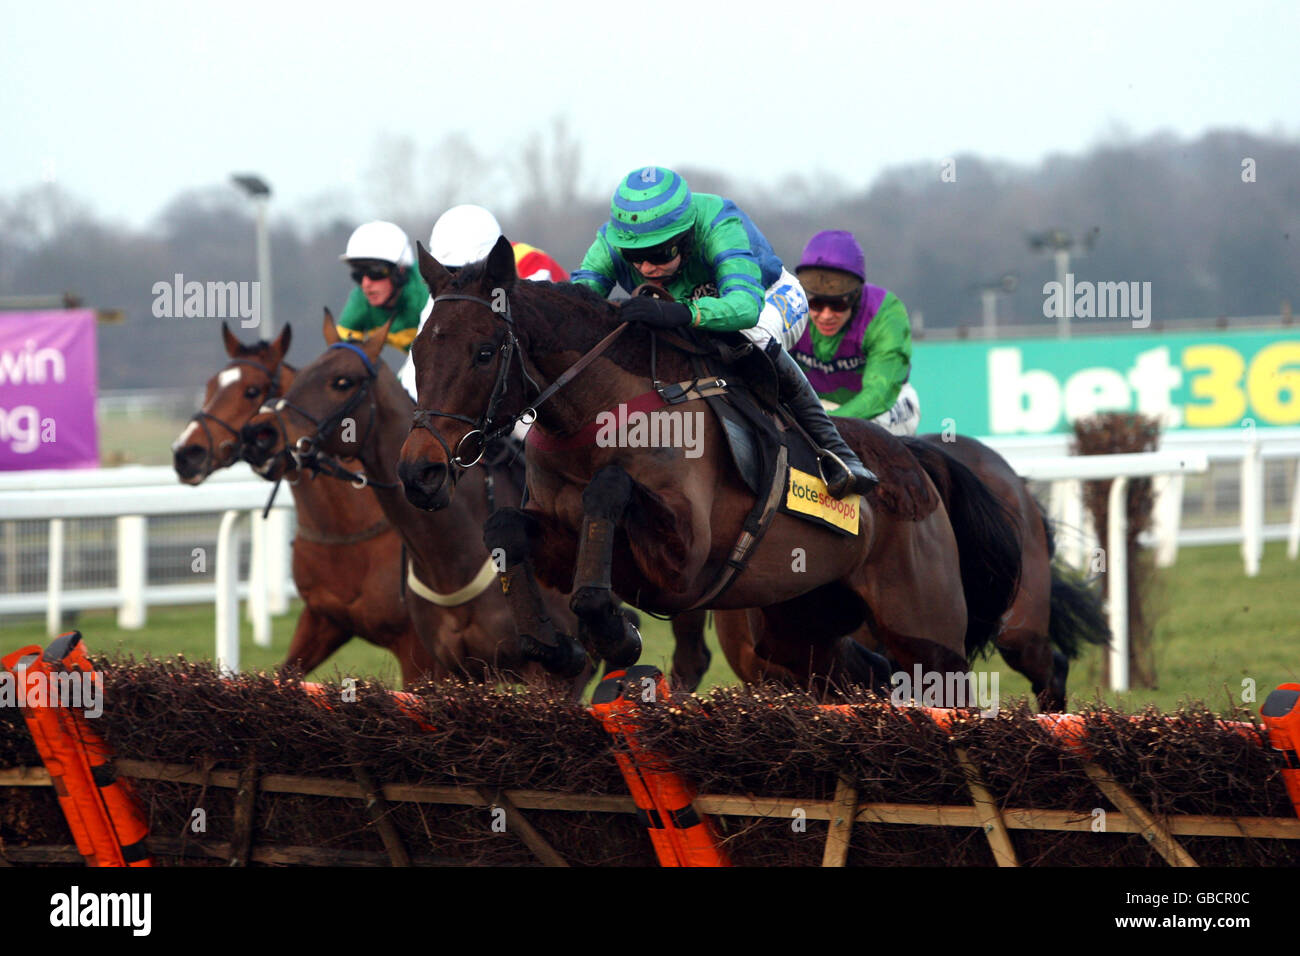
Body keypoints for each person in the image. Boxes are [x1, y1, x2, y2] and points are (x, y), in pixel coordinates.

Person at [572, 166, 877, 498]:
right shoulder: (609, 240)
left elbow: (745, 308)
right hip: (690, 309)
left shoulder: (720, 222)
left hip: (768, 298)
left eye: (659, 254)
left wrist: (679, 312)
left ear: (685, 236)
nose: (646, 268)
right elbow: (576, 306)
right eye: (634, 257)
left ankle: (836, 452)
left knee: (751, 339)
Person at [398, 205, 570, 399]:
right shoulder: (445, 293)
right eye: (449, 270)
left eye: (465, 271)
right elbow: (418, 374)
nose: (458, 281)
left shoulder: (532, 268)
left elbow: (532, 358)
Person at [790, 230, 919, 436]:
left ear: (855, 295)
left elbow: (880, 392)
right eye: (816, 303)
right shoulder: (791, 308)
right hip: (818, 407)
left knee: (862, 435)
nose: (825, 315)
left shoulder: (885, 312)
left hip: (888, 403)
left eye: (837, 304)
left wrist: (827, 423)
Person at [335, 220, 430, 353]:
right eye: (358, 274)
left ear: (400, 270)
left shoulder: (426, 293)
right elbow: (340, 356)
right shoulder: (360, 300)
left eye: (375, 272)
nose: (365, 284)